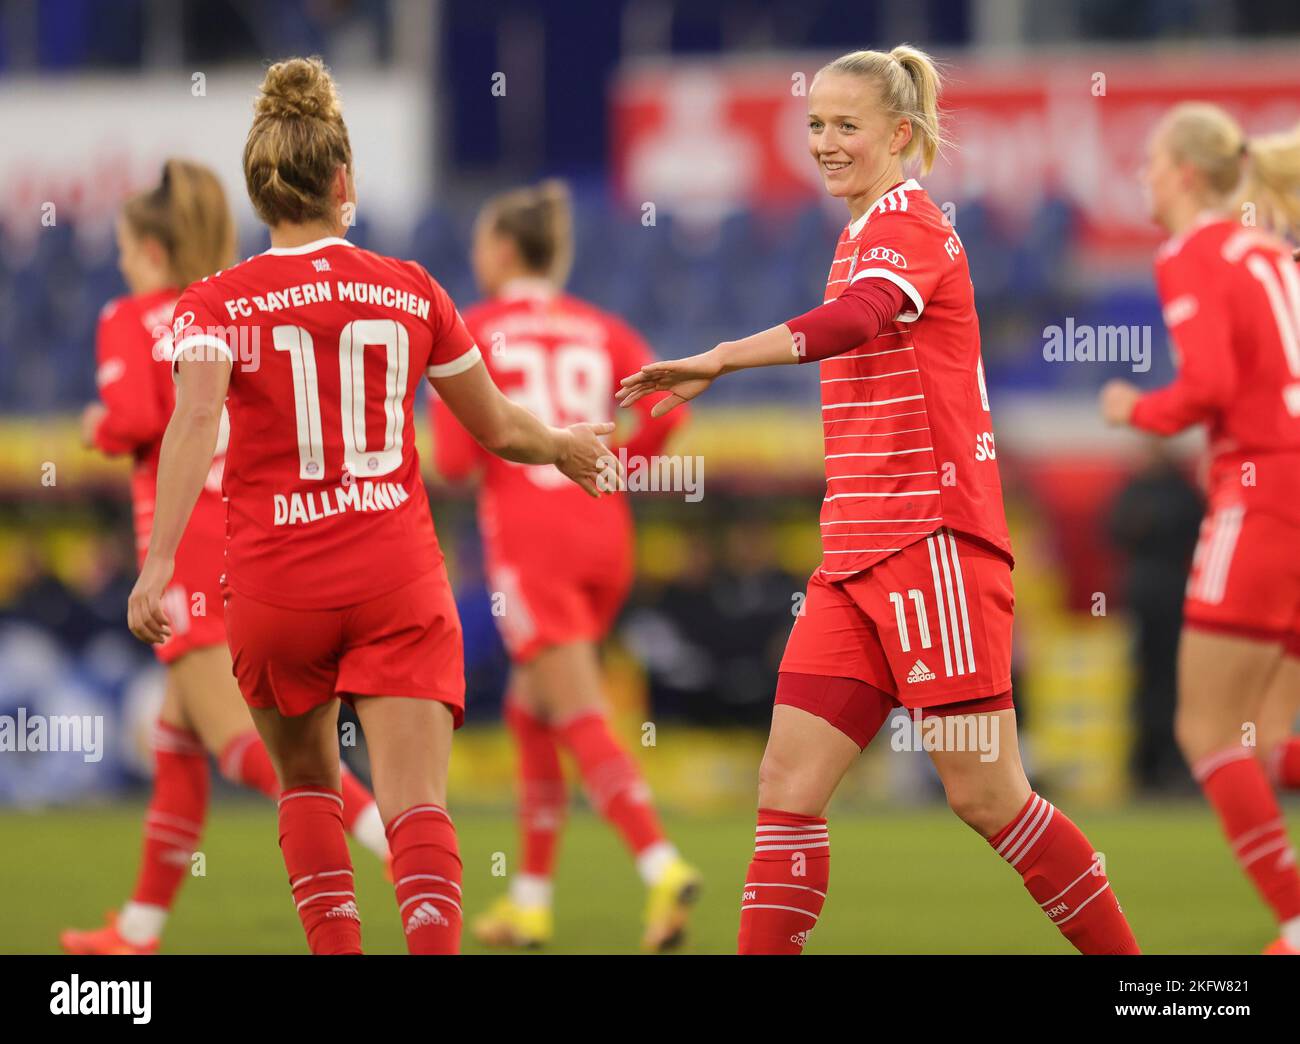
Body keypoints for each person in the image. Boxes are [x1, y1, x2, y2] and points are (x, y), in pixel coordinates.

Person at [619, 44, 1140, 955]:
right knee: (786, 783)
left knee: (987, 796)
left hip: (929, 545)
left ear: (900, 134)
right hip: (854, 555)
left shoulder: (910, 225)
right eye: (815, 124)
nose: (824, 141)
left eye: (845, 126)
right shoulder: (860, 229)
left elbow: (857, 319)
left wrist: (720, 356)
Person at [126, 57, 615, 955]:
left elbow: (192, 423)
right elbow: (499, 426)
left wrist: (159, 563)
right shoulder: (413, 288)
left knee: (309, 786)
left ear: (260, 189)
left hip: (276, 585)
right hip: (396, 575)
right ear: (343, 181)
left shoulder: (214, 303)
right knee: (417, 803)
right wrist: (566, 448)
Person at [62, 159, 388, 956]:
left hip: (181, 553)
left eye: (121, 246)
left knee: (253, 749)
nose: (116, 260)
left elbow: (140, 416)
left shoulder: (131, 314)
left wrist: (93, 427)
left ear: (146, 249)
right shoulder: (227, 307)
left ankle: (391, 840)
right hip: (248, 537)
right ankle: (138, 928)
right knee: (177, 741)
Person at [431, 180, 700, 951]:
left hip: (530, 540)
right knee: (531, 707)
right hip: (603, 533)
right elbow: (670, 403)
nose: (477, 255)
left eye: (484, 241)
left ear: (504, 250)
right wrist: (615, 462)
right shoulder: (599, 326)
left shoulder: (474, 327)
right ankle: (530, 901)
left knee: (576, 708)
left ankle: (661, 865)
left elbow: (453, 461)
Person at [1100, 102, 1300, 954]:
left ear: (1185, 171)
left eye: (1150, 160)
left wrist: (1134, 408)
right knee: (1271, 735)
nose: (1141, 175)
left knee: (1205, 732)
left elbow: (1210, 385)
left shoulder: (1192, 252)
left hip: (1265, 495)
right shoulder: (1273, 251)